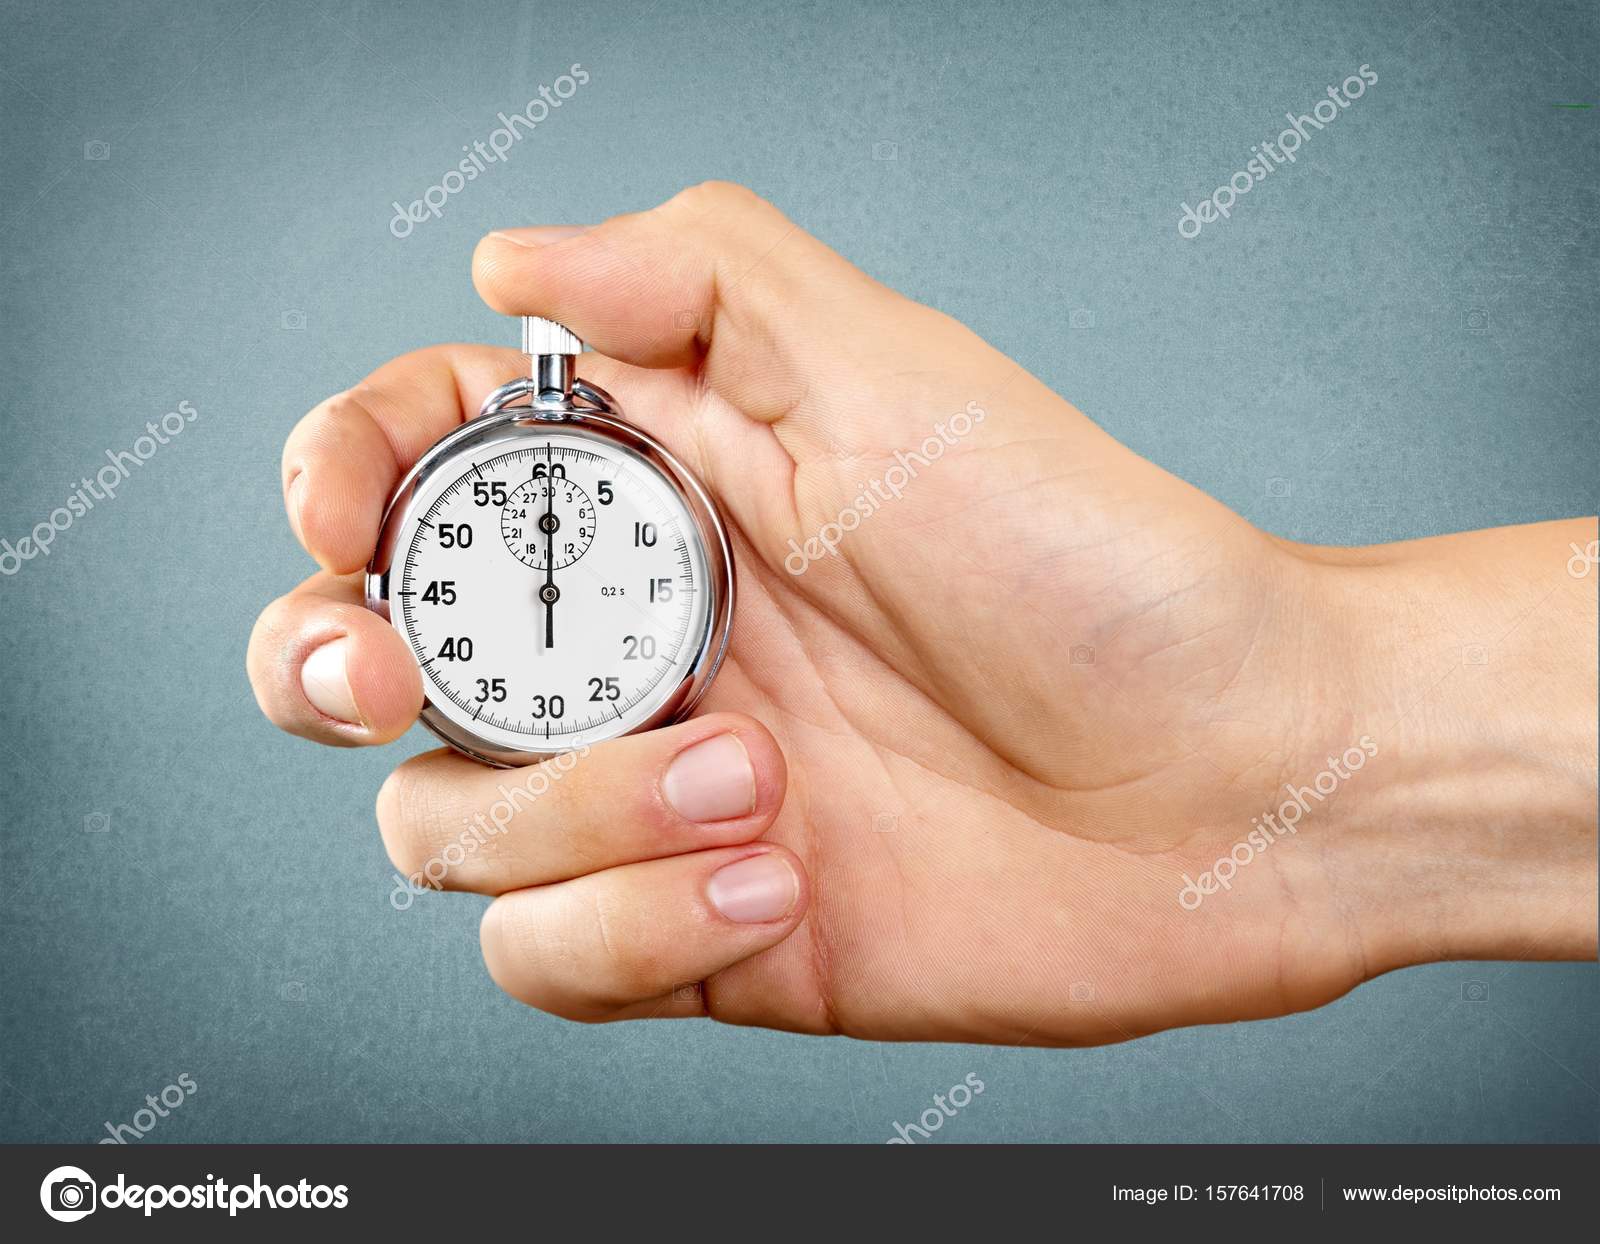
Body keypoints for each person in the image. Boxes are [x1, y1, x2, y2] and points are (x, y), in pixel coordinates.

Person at [247, 182, 1597, 1045]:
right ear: (425, 575)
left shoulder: (676, 501)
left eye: (582, 567)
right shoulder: (593, 507)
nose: (549, 585)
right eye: (474, 580)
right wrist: (1291, 756)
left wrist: (1299, 747)